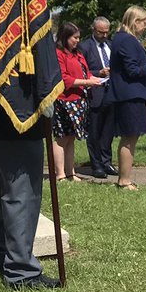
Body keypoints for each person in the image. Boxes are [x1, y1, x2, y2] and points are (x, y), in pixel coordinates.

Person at [0, 0, 59, 289]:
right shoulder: (18, 5)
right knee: (21, 195)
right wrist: (42, 93)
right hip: (16, 116)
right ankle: (21, 270)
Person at [105, 6, 146, 191]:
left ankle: (125, 178)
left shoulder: (124, 39)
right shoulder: (127, 40)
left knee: (131, 137)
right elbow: (132, 71)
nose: (145, 27)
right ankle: (124, 180)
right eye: (144, 23)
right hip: (129, 95)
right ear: (135, 21)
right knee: (129, 137)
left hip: (131, 94)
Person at [52, 22, 103, 181]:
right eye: (74, 38)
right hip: (64, 101)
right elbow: (64, 78)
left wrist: (95, 79)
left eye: (79, 38)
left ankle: (70, 172)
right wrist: (87, 82)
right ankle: (60, 174)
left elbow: (86, 73)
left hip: (79, 100)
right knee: (62, 138)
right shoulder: (59, 53)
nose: (77, 41)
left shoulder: (78, 54)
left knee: (71, 138)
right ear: (65, 36)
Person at [78, 17, 117, 178]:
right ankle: (97, 164)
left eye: (107, 32)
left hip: (112, 93)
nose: (104, 35)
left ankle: (107, 161)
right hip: (95, 93)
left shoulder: (111, 45)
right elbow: (80, 70)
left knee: (108, 130)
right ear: (93, 29)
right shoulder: (85, 46)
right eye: (101, 32)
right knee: (94, 130)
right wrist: (98, 73)